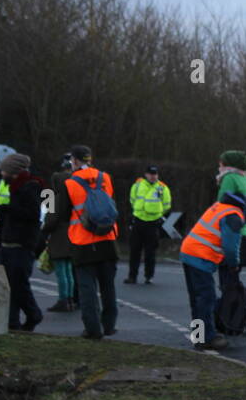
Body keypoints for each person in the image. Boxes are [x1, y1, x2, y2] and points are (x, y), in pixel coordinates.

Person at [180, 192, 246, 351]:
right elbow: (231, 248)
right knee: (207, 298)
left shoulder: (221, 207)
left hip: (188, 252)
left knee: (197, 300)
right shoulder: (234, 217)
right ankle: (208, 337)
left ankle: (199, 337)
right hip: (200, 257)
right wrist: (234, 264)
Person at [64, 144, 119, 340]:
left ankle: (93, 328)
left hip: (82, 241)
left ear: (75, 161)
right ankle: (109, 325)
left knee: (87, 289)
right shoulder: (106, 177)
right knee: (108, 287)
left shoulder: (69, 183)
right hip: (108, 238)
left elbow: (60, 212)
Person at [0, 153, 45, 332]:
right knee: (10, 285)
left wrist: (9, 210)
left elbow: (32, 215)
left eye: (4, 171)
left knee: (19, 285)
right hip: (11, 242)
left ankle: (33, 314)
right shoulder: (17, 187)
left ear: (13, 171)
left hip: (21, 244)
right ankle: (12, 321)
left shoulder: (29, 187)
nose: (2, 174)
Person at [40, 153, 78, 312]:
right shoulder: (74, 194)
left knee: (61, 270)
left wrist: (44, 229)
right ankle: (70, 298)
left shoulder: (54, 197)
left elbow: (50, 218)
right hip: (72, 234)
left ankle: (63, 299)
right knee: (69, 270)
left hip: (59, 236)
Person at [216, 150, 246, 292]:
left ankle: (227, 311)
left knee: (225, 279)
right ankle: (233, 309)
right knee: (233, 277)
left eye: (221, 163)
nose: (219, 166)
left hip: (232, 232)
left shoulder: (229, 178)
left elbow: (221, 205)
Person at [125, 165, 171, 285]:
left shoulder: (162, 187)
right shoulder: (137, 185)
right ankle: (132, 276)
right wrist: (138, 211)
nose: (153, 176)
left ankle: (149, 276)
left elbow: (167, 205)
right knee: (135, 250)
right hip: (138, 221)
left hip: (153, 222)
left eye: (155, 174)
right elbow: (132, 199)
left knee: (150, 252)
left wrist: (157, 213)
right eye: (150, 174)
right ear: (146, 174)